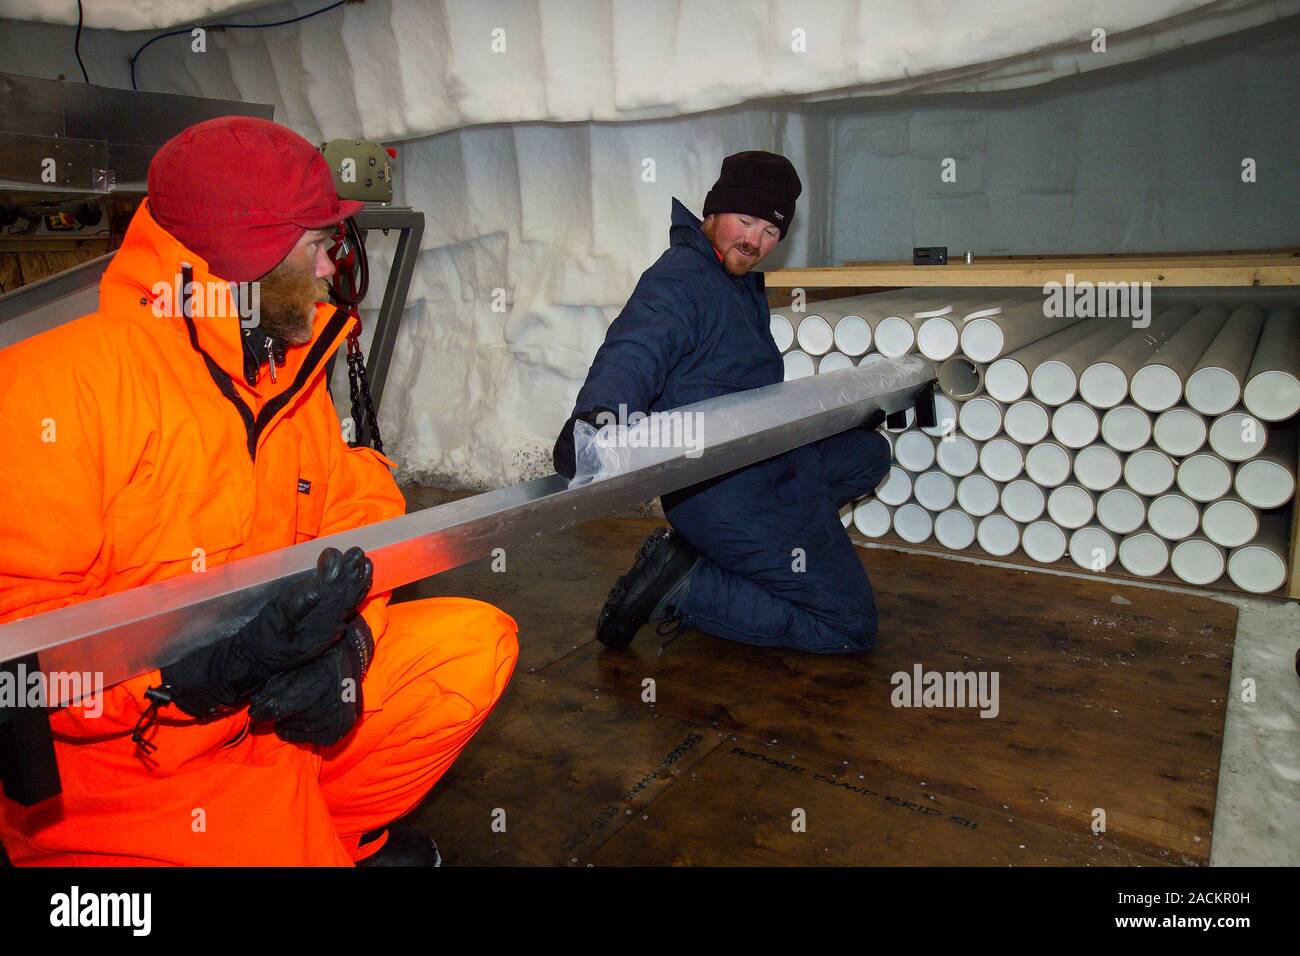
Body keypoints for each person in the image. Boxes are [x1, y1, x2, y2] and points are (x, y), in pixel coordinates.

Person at [0, 116, 518, 866]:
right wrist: (198, 676)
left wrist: (350, 643)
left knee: (469, 649)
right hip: (124, 770)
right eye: (315, 247)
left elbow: (360, 510)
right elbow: (16, 646)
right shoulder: (55, 392)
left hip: (261, 721)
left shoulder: (281, 378)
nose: (331, 271)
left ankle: (340, 833)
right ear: (248, 260)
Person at [554, 151, 891, 655]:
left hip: (765, 462)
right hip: (723, 487)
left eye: (771, 233)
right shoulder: (683, 277)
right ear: (711, 213)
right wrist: (596, 421)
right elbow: (638, 346)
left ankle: (752, 552)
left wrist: (849, 412)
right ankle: (690, 583)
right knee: (849, 625)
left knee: (869, 453)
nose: (755, 241)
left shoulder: (735, 282)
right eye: (746, 220)